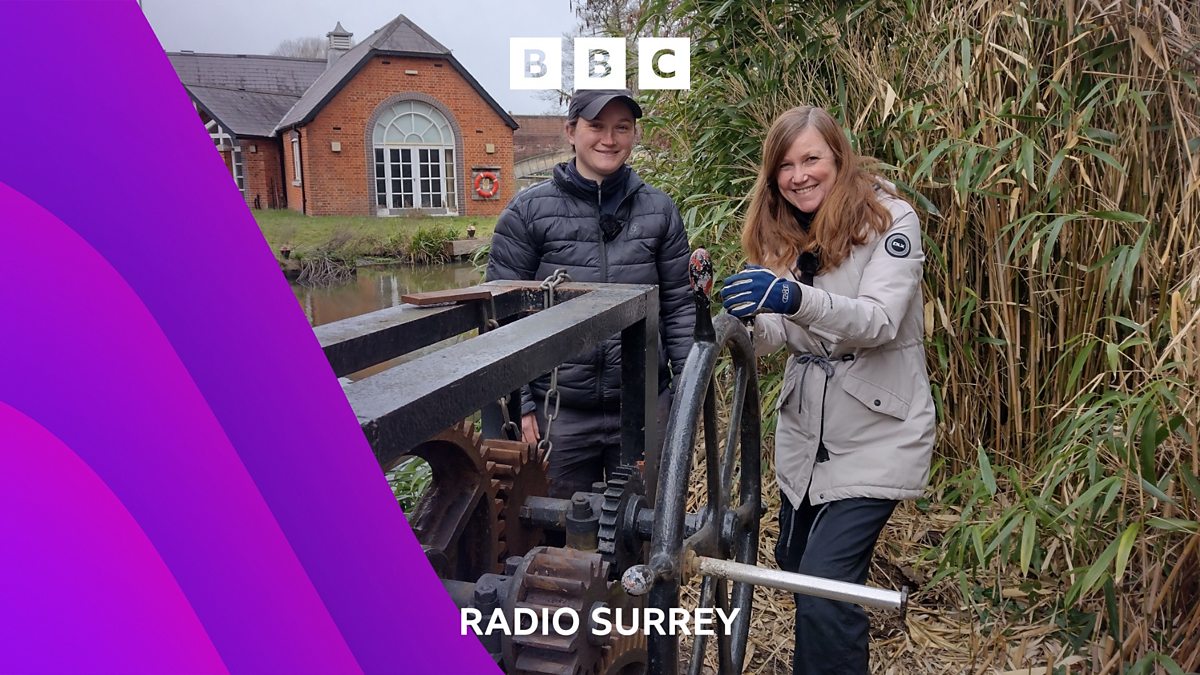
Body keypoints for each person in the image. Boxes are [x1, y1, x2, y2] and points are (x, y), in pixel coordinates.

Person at [720, 105, 935, 674]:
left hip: (876, 431)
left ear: (838, 156)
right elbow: (771, 338)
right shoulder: (782, 229)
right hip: (805, 437)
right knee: (797, 567)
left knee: (825, 586)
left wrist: (794, 297)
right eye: (785, 165)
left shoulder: (891, 220)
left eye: (811, 158)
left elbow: (879, 321)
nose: (799, 175)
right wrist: (742, 317)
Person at [486, 89, 694, 499]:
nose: (609, 139)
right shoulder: (527, 212)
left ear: (635, 135)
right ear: (570, 131)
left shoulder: (660, 211)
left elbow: (679, 307)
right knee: (555, 539)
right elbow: (501, 314)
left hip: (641, 410)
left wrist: (687, 396)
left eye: (622, 128)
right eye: (596, 126)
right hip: (558, 413)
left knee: (640, 532)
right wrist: (521, 402)